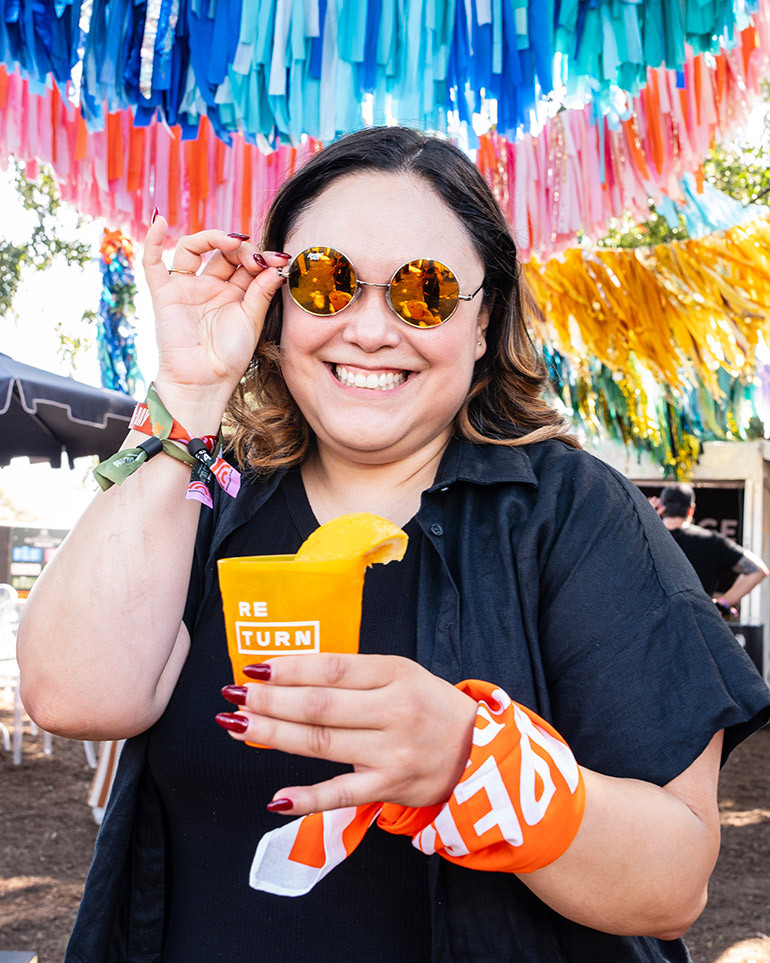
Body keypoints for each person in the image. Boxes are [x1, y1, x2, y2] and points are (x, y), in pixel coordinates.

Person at [16, 126, 770, 963]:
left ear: (484, 323)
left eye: (425, 291)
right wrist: (188, 395)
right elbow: (77, 695)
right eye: (327, 281)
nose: (371, 328)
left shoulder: (576, 513)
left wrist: (471, 762)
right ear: (275, 304)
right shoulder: (205, 498)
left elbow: (673, 882)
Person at [652, 482, 769, 618]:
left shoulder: (646, 539)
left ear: (662, 508)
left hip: (651, 628)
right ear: (691, 509)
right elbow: (758, 570)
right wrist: (722, 604)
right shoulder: (711, 540)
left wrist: (647, 519)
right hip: (697, 624)